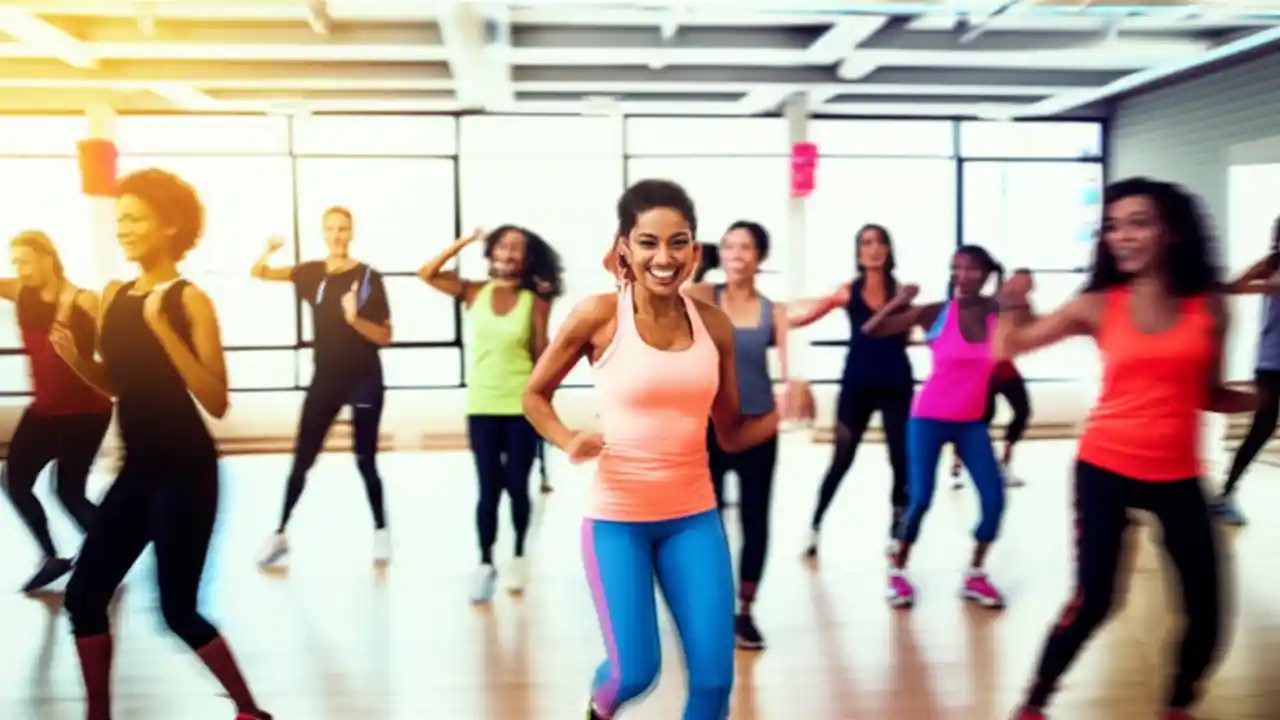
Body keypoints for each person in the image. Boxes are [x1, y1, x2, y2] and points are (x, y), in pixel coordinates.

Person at [998, 178, 1253, 720]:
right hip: (1104, 467)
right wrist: (1011, 303)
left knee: (1207, 611)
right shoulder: (1096, 304)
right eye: (1113, 225)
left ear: (1173, 232)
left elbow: (1207, 393)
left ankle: (1178, 705)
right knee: (1094, 602)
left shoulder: (1210, 306)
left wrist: (1262, 397)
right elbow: (1012, 344)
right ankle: (1035, 701)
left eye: (1138, 222)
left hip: (1179, 473)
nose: (1121, 236)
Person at [523, 179, 779, 719]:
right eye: (648, 242)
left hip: (693, 519)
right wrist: (570, 439)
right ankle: (598, 706)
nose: (664, 257)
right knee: (634, 672)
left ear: (695, 250)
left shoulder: (715, 327)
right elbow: (535, 397)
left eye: (678, 242)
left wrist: (784, 415)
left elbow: (730, 434)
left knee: (713, 682)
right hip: (618, 521)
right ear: (624, 248)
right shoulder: (597, 316)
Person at [56, 168, 271, 720]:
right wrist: (78, 361)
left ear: (169, 226)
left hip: (187, 472)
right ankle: (97, 714)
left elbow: (215, 398)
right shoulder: (113, 295)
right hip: (138, 472)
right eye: (119, 218)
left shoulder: (188, 300)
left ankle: (250, 711)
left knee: (178, 610)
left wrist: (165, 329)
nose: (122, 228)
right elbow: (118, 385)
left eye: (134, 218)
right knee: (83, 596)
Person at [684, 220, 810, 650]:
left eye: (746, 247)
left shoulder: (772, 311)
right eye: (729, 246)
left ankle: (745, 610)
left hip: (757, 426)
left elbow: (793, 361)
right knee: (707, 522)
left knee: (756, 520)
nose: (736, 254)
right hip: (709, 425)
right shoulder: (704, 296)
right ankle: (709, 606)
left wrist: (797, 386)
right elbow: (664, 297)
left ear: (760, 256)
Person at [420, 225, 562, 603]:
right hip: (482, 406)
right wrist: (464, 241)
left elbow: (541, 357)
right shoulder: (473, 292)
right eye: (503, 245)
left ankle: (517, 554)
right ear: (491, 251)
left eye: (518, 248)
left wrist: (544, 407)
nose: (509, 252)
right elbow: (427, 273)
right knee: (487, 489)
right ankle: (485, 563)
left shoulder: (535, 301)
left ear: (527, 259)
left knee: (516, 486)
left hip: (520, 408)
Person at [864, 245, 1007, 609]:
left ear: (987, 273)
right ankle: (897, 569)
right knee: (921, 499)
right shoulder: (936, 313)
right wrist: (899, 300)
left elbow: (1032, 323)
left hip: (971, 422)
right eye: (957, 268)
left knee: (994, 500)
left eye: (972, 269)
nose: (963, 275)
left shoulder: (997, 313)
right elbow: (873, 329)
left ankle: (976, 572)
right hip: (928, 417)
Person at [252, 208, 393, 568]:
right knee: (302, 458)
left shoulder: (368, 277)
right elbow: (260, 272)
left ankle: (381, 531)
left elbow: (385, 336)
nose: (337, 235)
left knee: (365, 460)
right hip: (326, 378)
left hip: (365, 379)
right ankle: (279, 533)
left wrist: (353, 318)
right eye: (330, 228)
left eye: (343, 228)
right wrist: (269, 249)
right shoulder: (310, 273)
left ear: (353, 231)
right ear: (323, 232)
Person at [788, 224, 914, 553]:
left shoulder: (900, 292)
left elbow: (909, 335)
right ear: (859, 252)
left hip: (896, 383)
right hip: (857, 384)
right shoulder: (847, 291)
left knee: (901, 459)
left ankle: (896, 530)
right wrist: (764, 321)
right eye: (866, 243)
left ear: (888, 250)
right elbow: (803, 318)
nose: (873, 249)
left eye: (879, 243)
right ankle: (814, 526)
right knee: (842, 457)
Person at [1, 231, 112, 593]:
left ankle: (111, 550)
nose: (20, 268)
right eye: (15, 262)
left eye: (26, 260)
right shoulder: (23, 293)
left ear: (48, 257)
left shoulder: (82, 300)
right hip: (45, 410)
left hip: (85, 411)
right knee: (13, 479)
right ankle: (51, 557)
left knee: (67, 491)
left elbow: (107, 355)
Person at [1211, 214, 1280, 525]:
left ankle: (1225, 494)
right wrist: (1266, 274)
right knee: (1261, 430)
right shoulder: (1271, 269)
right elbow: (1234, 286)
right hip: (1272, 363)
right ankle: (1225, 495)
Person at [951, 359, 1031, 489]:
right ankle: (956, 469)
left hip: (1006, 371)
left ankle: (1005, 466)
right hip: (981, 372)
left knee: (1022, 412)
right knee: (979, 419)